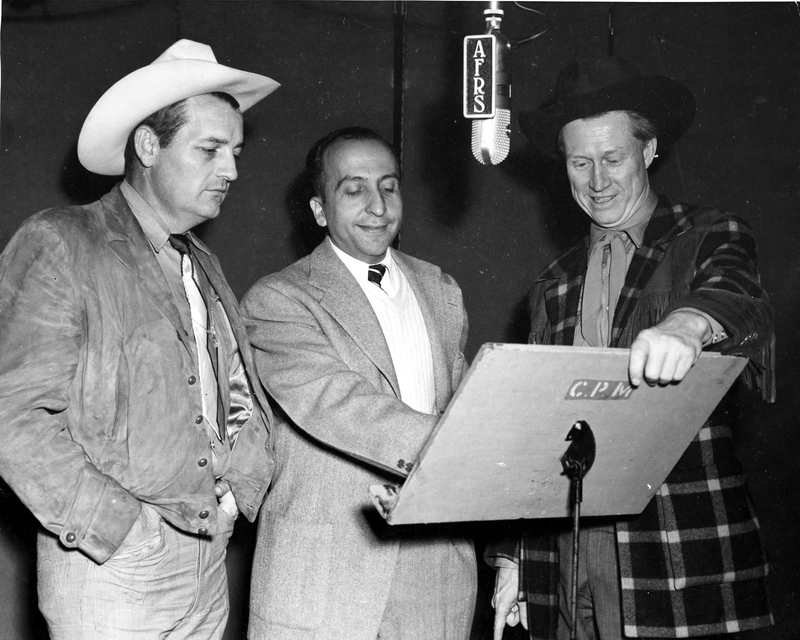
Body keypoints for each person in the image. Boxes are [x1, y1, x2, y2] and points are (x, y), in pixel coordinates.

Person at [0, 39, 279, 639]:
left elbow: (236, 393)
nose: (232, 170)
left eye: (234, 151)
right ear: (148, 146)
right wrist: (118, 525)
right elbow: (10, 412)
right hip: (116, 566)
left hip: (207, 558)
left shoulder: (201, 260)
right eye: (210, 150)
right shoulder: (62, 241)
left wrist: (237, 491)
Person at [490, 58, 775, 640]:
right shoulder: (554, 282)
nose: (596, 180)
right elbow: (532, 426)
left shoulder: (707, 233)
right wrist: (513, 560)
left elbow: (733, 286)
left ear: (649, 152)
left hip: (671, 545)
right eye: (579, 162)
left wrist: (688, 325)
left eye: (613, 158)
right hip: (564, 550)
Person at [242, 127, 477, 640]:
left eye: (389, 187)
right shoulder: (278, 299)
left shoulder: (442, 290)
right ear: (320, 210)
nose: (377, 205)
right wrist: (469, 453)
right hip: (328, 578)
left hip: (435, 574)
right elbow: (337, 403)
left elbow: (467, 403)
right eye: (354, 189)